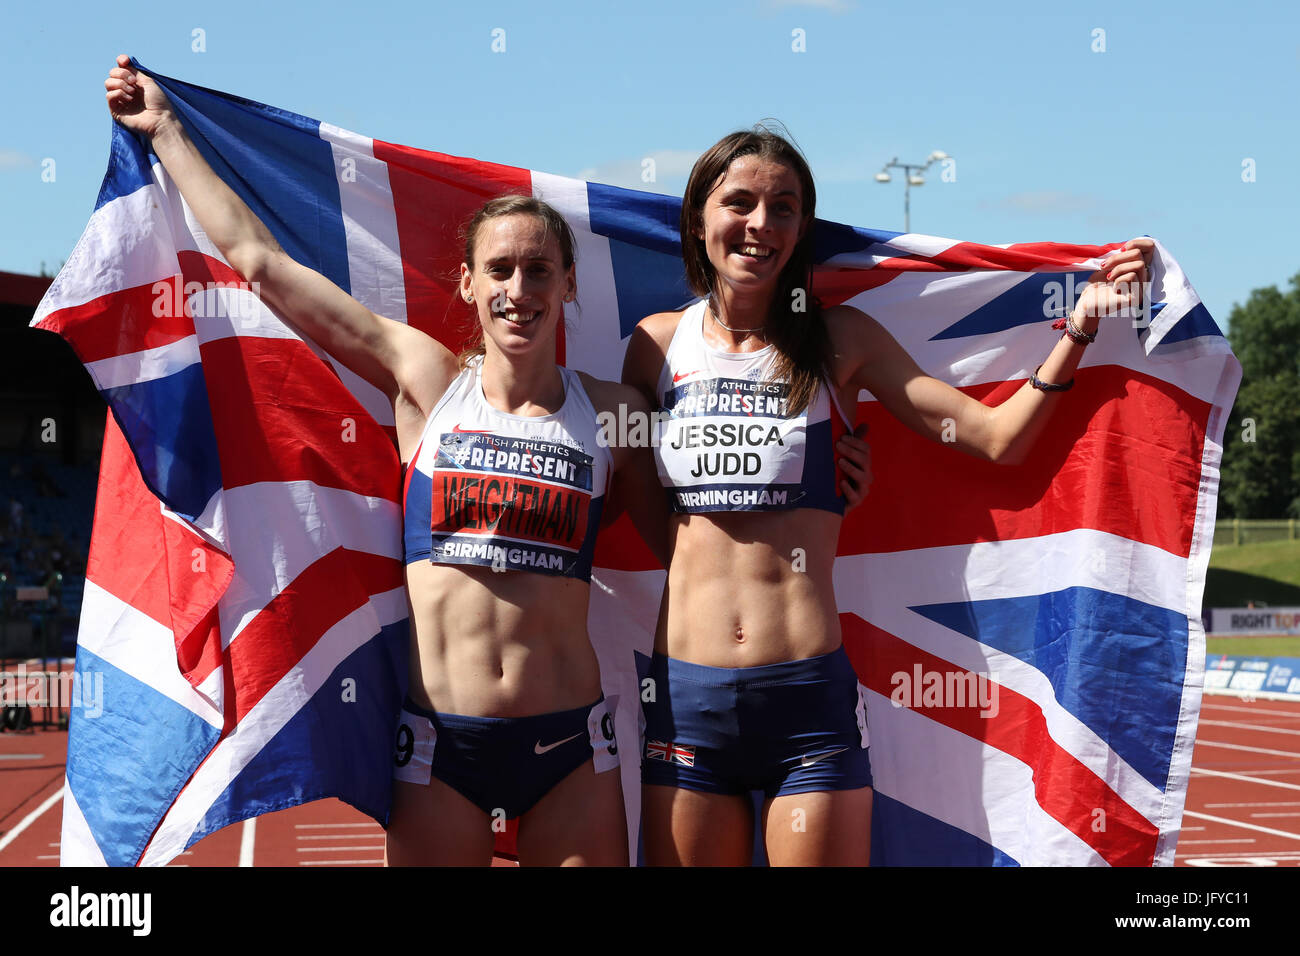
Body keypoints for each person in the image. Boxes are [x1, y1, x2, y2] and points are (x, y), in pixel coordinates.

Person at [103, 55, 673, 865]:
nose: (520, 288)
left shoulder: (615, 413)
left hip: (572, 749)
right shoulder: (426, 379)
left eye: (539, 269)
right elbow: (263, 265)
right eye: (500, 271)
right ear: (470, 285)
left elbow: (688, 546)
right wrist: (166, 131)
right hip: (440, 751)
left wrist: (833, 461)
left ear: (569, 285)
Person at [622, 125, 1153, 866]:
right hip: (684, 700)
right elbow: (645, 507)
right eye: (738, 202)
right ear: (697, 219)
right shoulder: (653, 346)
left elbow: (995, 438)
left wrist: (1081, 326)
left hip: (807, 706)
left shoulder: (842, 340)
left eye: (784, 208)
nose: (760, 225)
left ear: (803, 228)